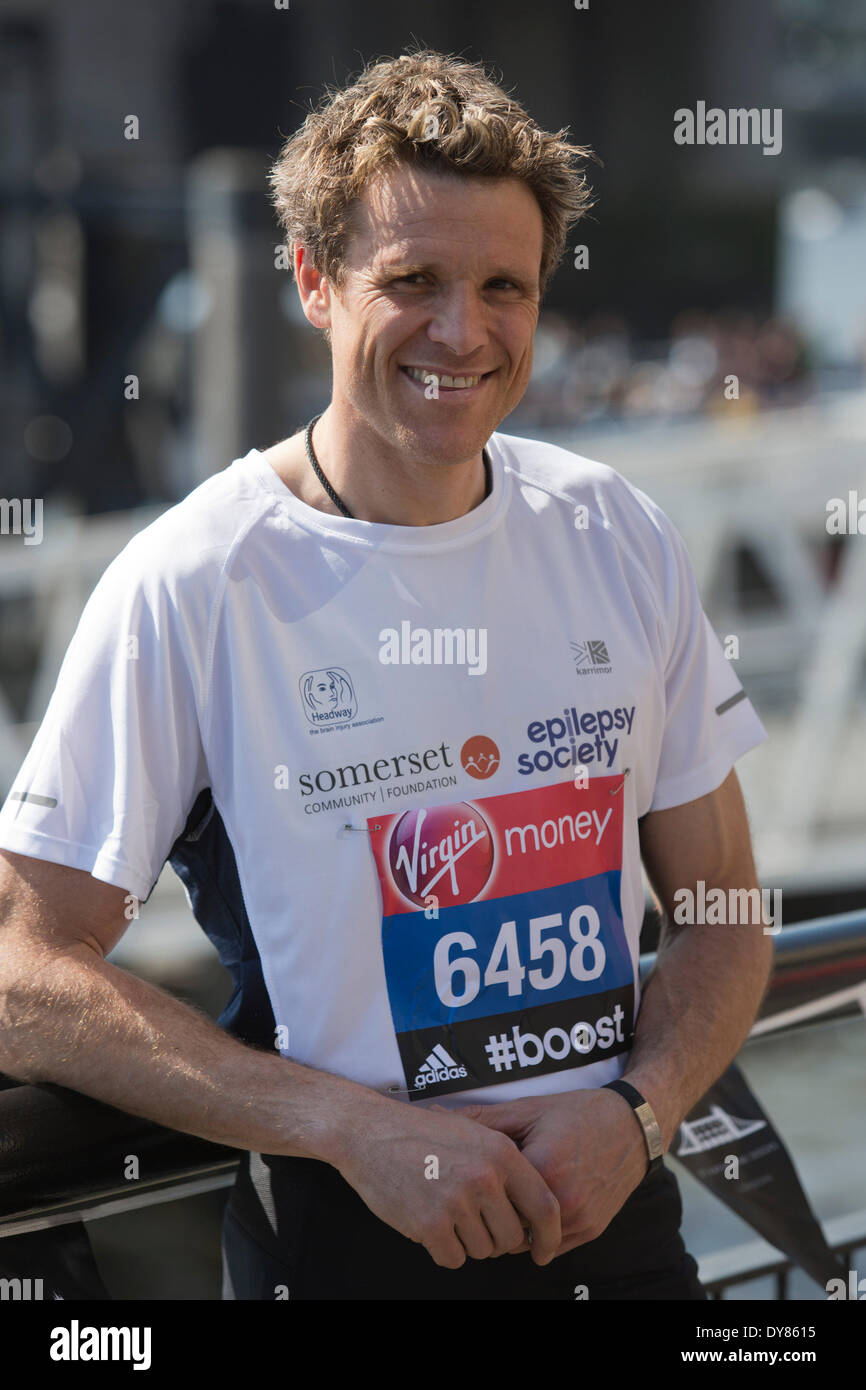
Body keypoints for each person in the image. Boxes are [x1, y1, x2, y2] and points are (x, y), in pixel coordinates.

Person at [0, 49, 772, 1301]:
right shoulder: (193, 580)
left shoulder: (614, 531)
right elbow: (21, 972)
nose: (461, 332)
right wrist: (348, 1127)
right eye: (410, 280)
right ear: (312, 279)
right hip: (345, 1249)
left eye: (500, 286)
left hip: (613, 1232)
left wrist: (639, 1109)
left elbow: (728, 903)